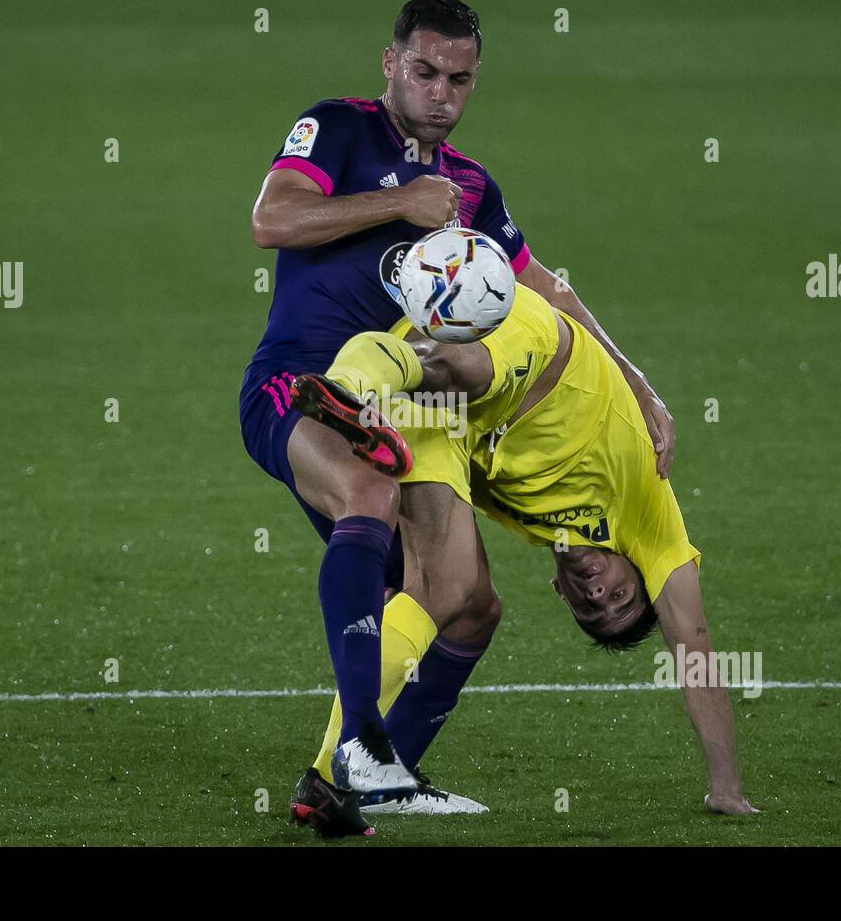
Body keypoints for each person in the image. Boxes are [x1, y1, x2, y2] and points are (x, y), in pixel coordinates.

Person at [240, 0, 674, 796]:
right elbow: (273, 218)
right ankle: (359, 749)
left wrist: (637, 382)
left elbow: (552, 293)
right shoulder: (338, 128)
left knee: (469, 606)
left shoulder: (472, 187)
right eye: (424, 70)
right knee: (368, 491)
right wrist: (400, 203)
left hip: (414, 409)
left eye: (459, 79)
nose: (440, 91)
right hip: (295, 381)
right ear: (390, 63)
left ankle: (383, 775)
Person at [287, 280, 757, 835]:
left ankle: (326, 779)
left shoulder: (544, 527)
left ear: (561, 592)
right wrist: (725, 785)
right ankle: (347, 387)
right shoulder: (648, 516)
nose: (597, 591)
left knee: (447, 589)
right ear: (636, 568)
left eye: (590, 608)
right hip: (540, 359)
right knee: (455, 369)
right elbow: (694, 647)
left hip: (457, 429)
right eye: (620, 594)